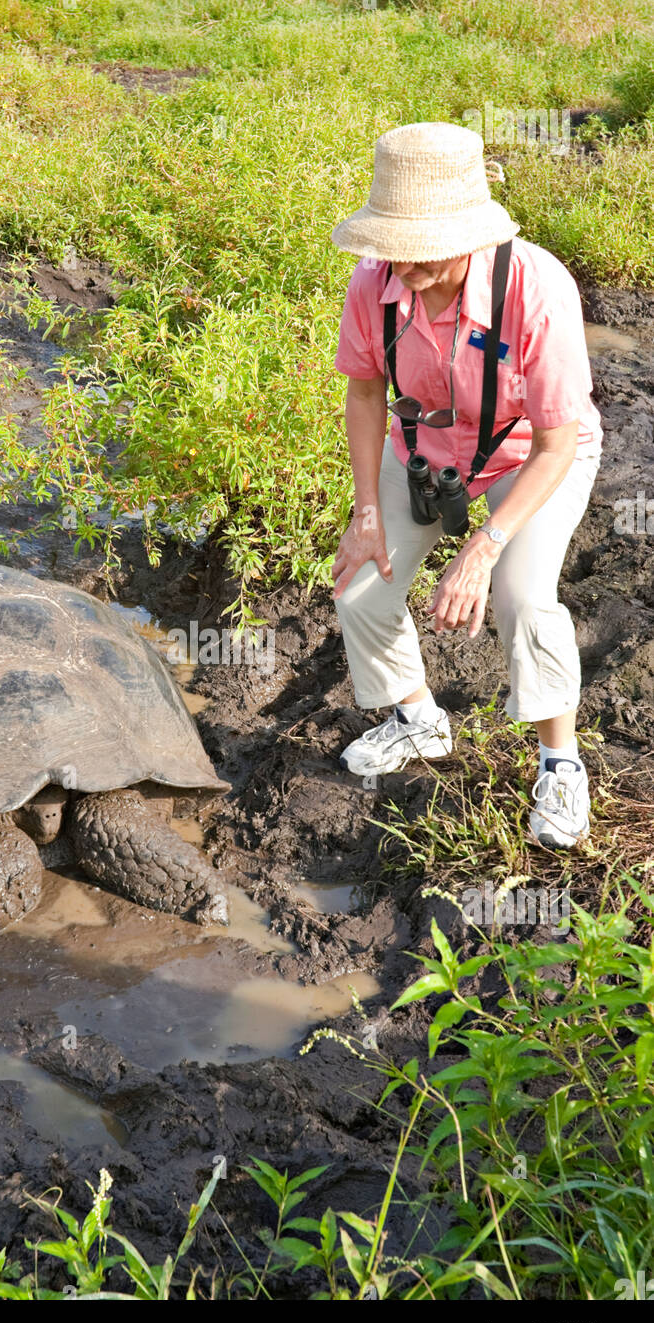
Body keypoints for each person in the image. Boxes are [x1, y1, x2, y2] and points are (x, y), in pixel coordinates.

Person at [330, 121, 602, 849]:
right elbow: (363, 394)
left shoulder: (535, 289)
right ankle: (417, 719)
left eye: (424, 250)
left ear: (471, 234)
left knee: (522, 596)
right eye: (395, 247)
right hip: (427, 448)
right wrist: (366, 513)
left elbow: (557, 441)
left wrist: (482, 549)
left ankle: (560, 762)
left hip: (529, 454)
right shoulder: (376, 284)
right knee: (361, 587)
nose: (406, 266)